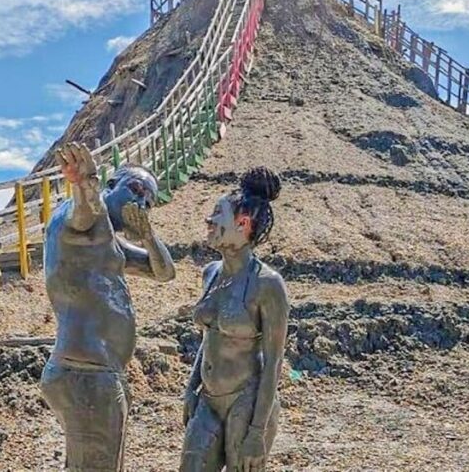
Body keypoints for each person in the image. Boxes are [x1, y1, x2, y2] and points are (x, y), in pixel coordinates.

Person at [40, 142, 176, 472]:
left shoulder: (108, 242)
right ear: (111, 186)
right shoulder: (83, 219)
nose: (141, 201)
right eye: (136, 189)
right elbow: (84, 212)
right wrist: (84, 184)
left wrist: (147, 235)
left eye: (148, 200)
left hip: (97, 371)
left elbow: (164, 272)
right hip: (86, 372)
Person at [180, 167, 289, 472]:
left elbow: (274, 362)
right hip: (208, 400)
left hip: (248, 402)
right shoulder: (210, 273)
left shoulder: (267, 284)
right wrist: (192, 388)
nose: (209, 221)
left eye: (218, 214)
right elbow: (209, 338)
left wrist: (257, 431)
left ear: (242, 224)